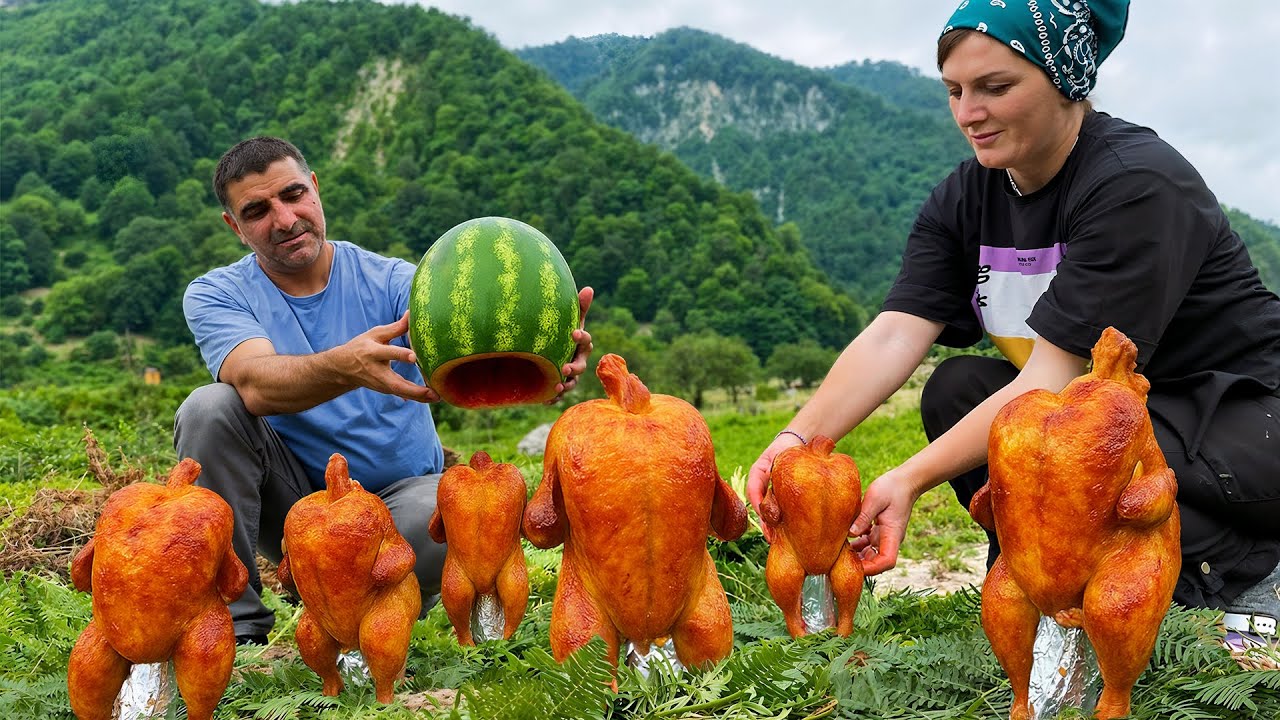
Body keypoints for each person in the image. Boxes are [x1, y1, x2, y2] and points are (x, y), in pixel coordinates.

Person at [747, 0, 1280, 641]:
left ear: (1066, 81)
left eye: (996, 87)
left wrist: (908, 479)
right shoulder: (967, 197)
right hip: (1127, 419)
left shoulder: (1135, 183)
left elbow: (1056, 376)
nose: (969, 113)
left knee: (1075, 445)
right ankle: (1071, 578)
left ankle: (1248, 575)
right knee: (958, 390)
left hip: (1244, 429)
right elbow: (896, 331)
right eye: (955, 91)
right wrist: (799, 439)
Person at [175, 136, 594, 644]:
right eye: (257, 210)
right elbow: (254, 384)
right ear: (234, 227)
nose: (284, 220)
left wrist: (538, 360)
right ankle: (237, 626)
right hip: (297, 511)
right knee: (209, 407)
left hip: (401, 502)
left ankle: (368, 598)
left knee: (447, 513)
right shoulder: (216, 293)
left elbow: (465, 351)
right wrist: (348, 365)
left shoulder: (401, 284)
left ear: (315, 189)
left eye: (292, 195)